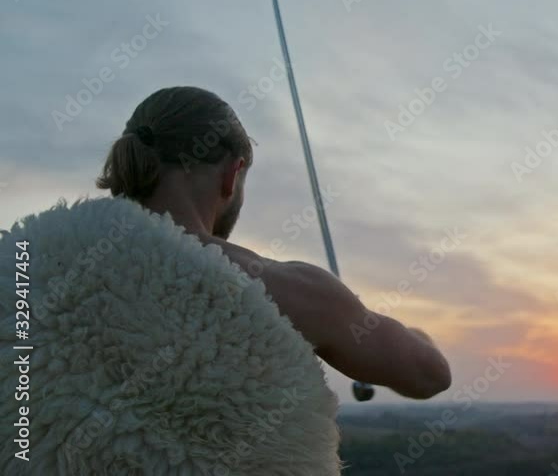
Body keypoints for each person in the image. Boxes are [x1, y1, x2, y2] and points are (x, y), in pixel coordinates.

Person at [96, 85, 451, 400]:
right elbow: (429, 376)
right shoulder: (281, 289)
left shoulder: (46, 259)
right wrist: (416, 333)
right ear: (231, 175)